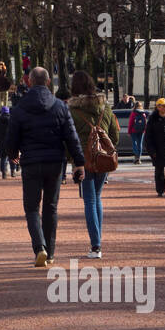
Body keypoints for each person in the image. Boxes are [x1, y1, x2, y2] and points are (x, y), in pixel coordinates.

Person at [5, 67, 86, 267]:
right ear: (49, 82)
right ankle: (50, 252)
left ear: (29, 82)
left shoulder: (20, 107)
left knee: (32, 208)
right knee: (51, 207)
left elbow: (11, 137)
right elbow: (71, 136)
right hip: (55, 162)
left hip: (31, 162)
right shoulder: (59, 106)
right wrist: (79, 162)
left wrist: (13, 154)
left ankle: (39, 247)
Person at [68, 71, 119, 259]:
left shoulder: (73, 110)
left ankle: (96, 245)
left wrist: (72, 161)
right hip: (103, 159)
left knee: (89, 200)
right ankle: (97, 241)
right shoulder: (105, 107)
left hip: (83, 160)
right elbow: (115, 135)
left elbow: (69, 139)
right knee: (97, 198)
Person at [0, 105, 16, 179]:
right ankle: (13, 171)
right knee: (12, 157)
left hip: (1, 142)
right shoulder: (12, 121)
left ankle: (4, 172)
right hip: (11, 141)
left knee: (3, 157)